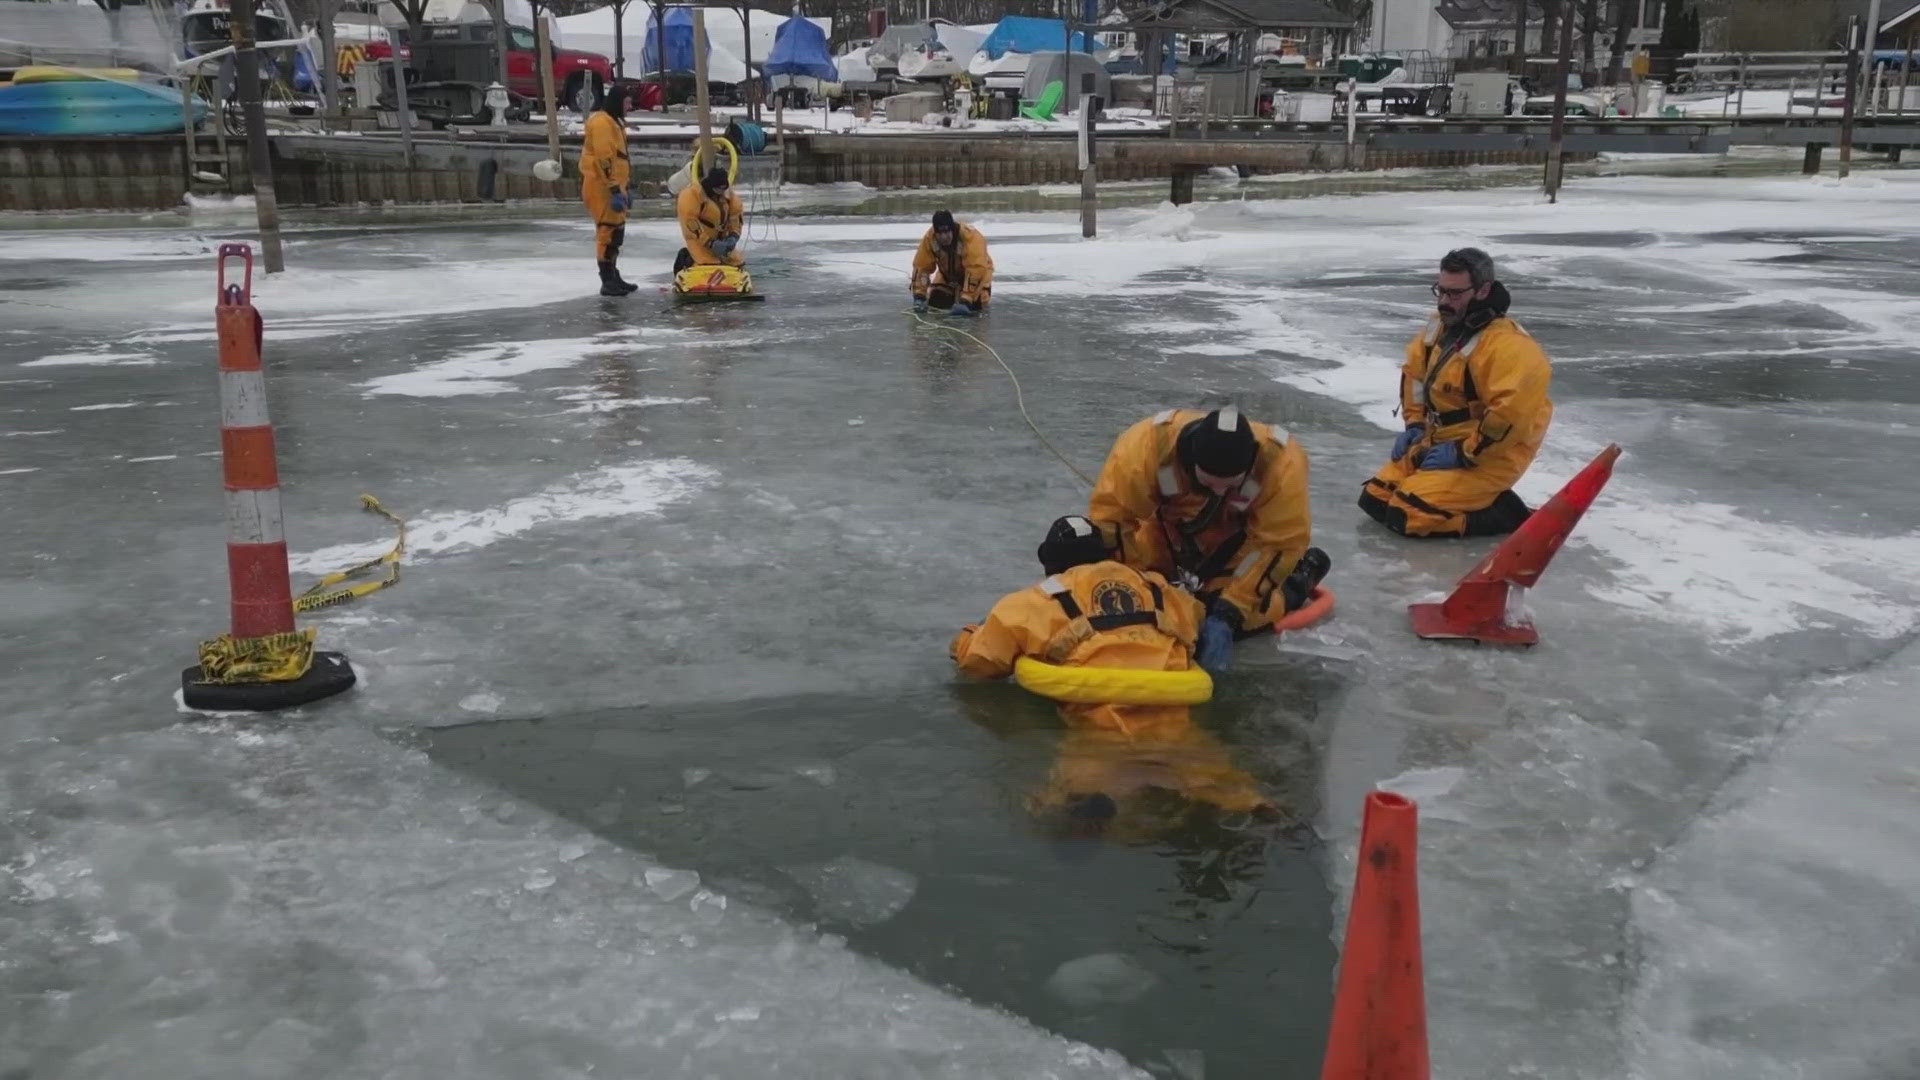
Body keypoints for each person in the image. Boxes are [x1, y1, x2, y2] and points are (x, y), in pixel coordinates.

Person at [950, 516, 1274, 838]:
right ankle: (1254, 806)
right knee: (1212, 770)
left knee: (1070, 785)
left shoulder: (1034, 601)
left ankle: (1085, 804)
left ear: (1049, 562)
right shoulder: (1156, 587)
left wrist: (966, 638)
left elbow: (981, 663)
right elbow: (1193, 621)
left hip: (1101, 716)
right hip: (1168, 707)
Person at [1087, 407, 1329, 672]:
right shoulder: (1147, 447)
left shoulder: (1280, 466)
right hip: (1165, 535)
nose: (1220, 492)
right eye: (1210, 483)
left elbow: (1280, 545)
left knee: (1233, 617)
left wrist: (1230, 612)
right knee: (1141, 601)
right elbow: (1111, 520)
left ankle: (1299, 581)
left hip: (1238, 546)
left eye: (1230, 485)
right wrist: (1132, 585)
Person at [1359, 247, 1553, 537]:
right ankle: (1461, 494)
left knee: (1408, 514)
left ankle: (1507, 513)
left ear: (1483, 290)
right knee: (1375, 499)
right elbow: (1415, 376)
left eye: (1455, 294)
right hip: (1441, 439)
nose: (1444, 302)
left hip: (1493, 453)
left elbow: (1508, 417)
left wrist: (1464, 453)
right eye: (1441, 291)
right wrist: (1415, 424)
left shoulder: (1510, 348)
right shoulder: (1440, 326)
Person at [580, 87, 636, 297]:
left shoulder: (614, 122)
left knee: (616, 232)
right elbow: (604, 159)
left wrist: (625, 187)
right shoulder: (602, 124)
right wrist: (613, 188)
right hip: (601, 188)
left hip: (614, 186)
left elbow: (619, 158)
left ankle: (613, 274)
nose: (630, 107)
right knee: (607, 232)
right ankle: (607, 280)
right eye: (627, 103)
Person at [911, 210, 993, 315]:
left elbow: (976, 269)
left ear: (952, 229)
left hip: (978, 274)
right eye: (939, 233)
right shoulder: (930, 238)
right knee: (936, 300)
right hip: (947, 275)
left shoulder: (971, 237)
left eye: (946, 232)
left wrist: (966, 300)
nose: (943, 237)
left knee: (975, 305)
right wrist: (919, 295)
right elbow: (922, 267)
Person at [674, 166, 745, 274]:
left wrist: (733, 236)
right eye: (718, 188)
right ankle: (687, 260)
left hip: (722, 241)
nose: (721, 191)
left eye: (723, 188)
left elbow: (735, 217)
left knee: (737, 262)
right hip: (699, 241)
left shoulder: (729, 196)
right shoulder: (692, 195)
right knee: (708, 263)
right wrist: (710, 243)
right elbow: (690, 223)